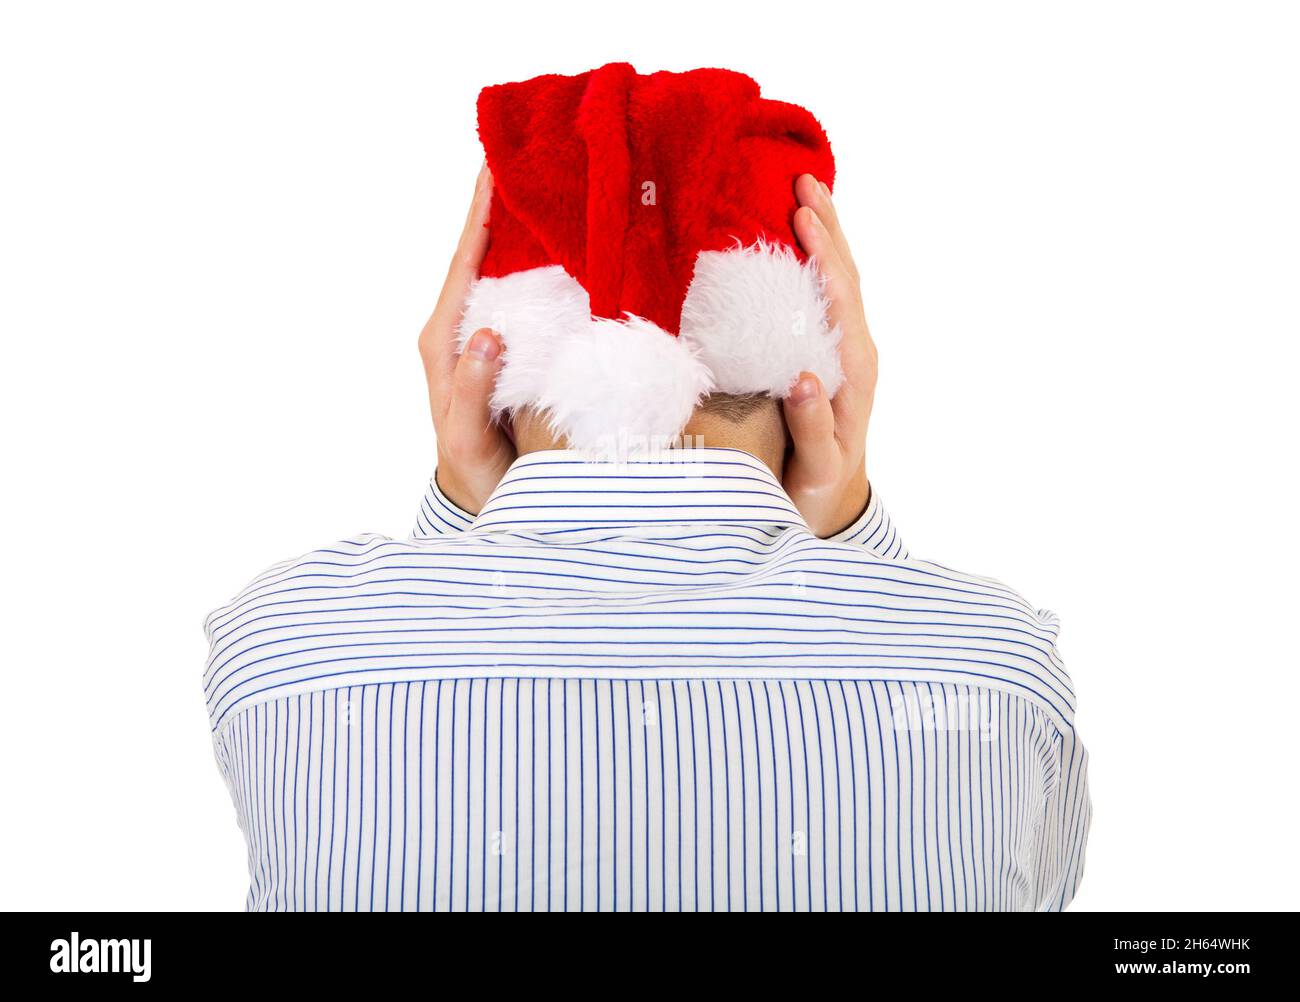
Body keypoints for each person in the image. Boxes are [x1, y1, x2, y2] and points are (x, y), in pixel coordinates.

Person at [203, 163, 1089, 911]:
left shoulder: (279, 649)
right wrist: (845, 532)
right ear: (818, 375)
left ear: (482, 372)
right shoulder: (998, 667)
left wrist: (464, 517)